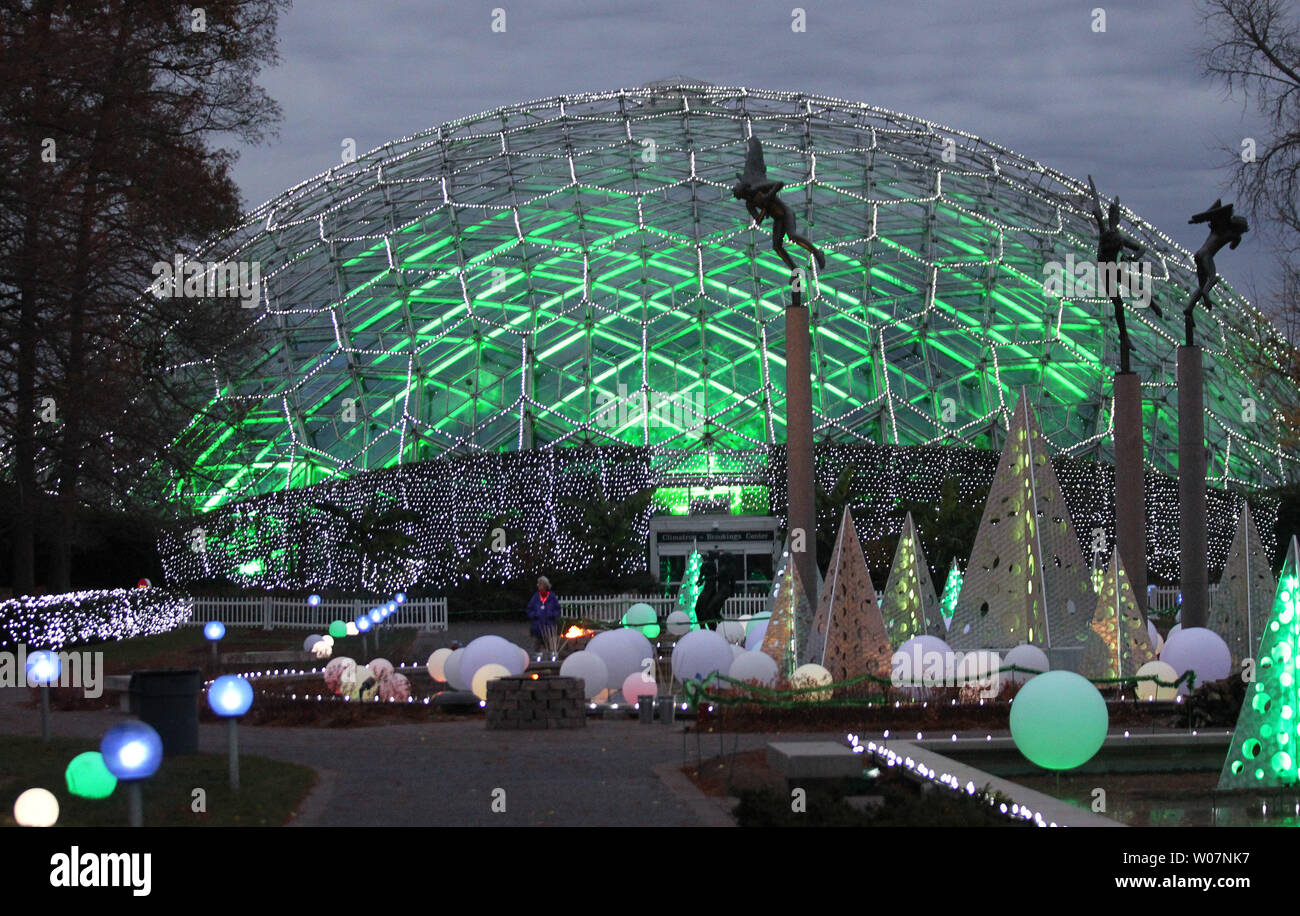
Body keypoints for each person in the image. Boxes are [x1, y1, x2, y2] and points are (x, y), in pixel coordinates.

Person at [526, 576, 561, 659]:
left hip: (549, 625)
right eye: (538, 584)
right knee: (537, 643)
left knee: (550, 643)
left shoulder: (552, 597)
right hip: (538, 625)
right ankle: (537, 658)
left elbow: (557, 609)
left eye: (541, 584)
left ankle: (551, 658)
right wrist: (534, 615)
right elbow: (530, 609)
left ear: (545, 585)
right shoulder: (535, 597)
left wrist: (552, 615)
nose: (539, 586)